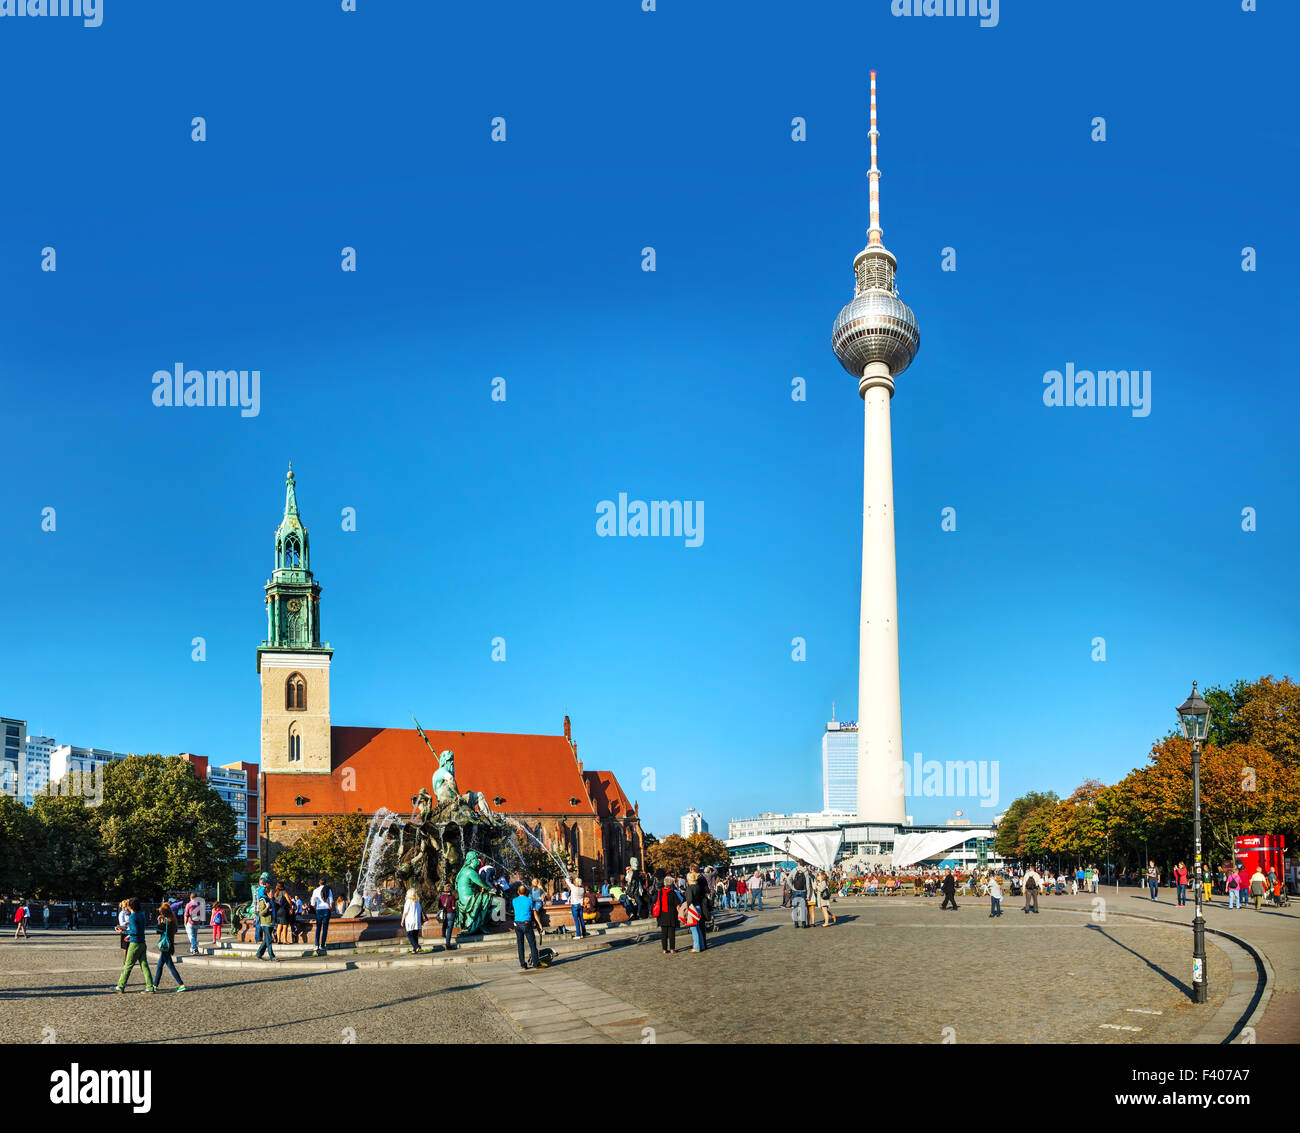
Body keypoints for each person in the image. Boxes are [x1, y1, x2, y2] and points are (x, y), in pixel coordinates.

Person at [114, 898, 155, 993]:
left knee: (128, 966)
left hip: (135, 943)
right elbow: (139, 929)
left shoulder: (133, 916)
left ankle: (120, 986)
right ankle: (150, 986)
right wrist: (129, 935)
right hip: (142, 942)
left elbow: (134, 931)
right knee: (144, 966)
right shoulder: (141, 914)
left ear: (130, 906)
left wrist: (124, 931)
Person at [153, 903, 187, 992]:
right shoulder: (173, 920)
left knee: (170, 966)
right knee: (159, 966)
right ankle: (155, 985)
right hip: (170, 945)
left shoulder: (166, 922)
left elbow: (157, 931)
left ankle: (181, 984)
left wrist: (160, 921)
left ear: (163, 913)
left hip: (165, 947)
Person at [510, 883, 541, 970]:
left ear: (518, 892)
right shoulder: (529, 900)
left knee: (520, 944)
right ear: (527, 892)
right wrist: (540, 924)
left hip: (517, 924)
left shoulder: (514, 900)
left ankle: (523, 965)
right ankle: (536, 963)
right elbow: (534, 913)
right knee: (532, 944)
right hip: (526, 923)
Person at [653, 879, 680, 954]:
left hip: (662, 915)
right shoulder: (672, 893)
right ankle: (672, 949)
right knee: (671, 933)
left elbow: (655, 902)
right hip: (671, 915)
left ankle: (664, 949)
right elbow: (677, 905)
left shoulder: (659, 892)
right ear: (671, 884)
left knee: (663, 933)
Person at [685, 870, 709, 952]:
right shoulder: (697, 886)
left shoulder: (690, 888)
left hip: (693, 907)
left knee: (694, 928)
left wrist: (687, 907)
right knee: (698, 928)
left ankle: (696, 947)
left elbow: (689, 900)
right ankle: (701, 945)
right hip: (698, 907)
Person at [255, 880, 277, 961]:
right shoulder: (263, 900)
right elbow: (261, 913)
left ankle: (259, 954)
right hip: (266, 923)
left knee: (266, 940)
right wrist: (267, 908)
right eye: (271, 892)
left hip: (271, 922)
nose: (273, 893)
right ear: (267, 893)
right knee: (269, 939)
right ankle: (272, 956)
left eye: (273, 892)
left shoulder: (272, 900)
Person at [310, 877, 333, 955]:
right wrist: (330, 908)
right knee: (325, 928)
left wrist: (316, 908)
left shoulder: (315, 890)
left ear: (319, 883)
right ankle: (322, 945)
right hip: (326, 909)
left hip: (319, 910)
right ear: (325, 883)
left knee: (318, 927)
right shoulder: (328, 889)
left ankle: (316, 944)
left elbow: (312, 902)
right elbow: (331, 901)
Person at [402, 888, 424, 953]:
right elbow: (420, 910)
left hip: (410, 921)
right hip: (417, 920)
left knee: (409, 935)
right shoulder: (417, 902)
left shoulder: (408, 901)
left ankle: (416, 946)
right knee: (415, 935)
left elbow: (405, 912)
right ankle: (415, 950)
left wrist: (402, 920)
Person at [437, 881, 457, 951]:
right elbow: (453, 907)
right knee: (449, 930)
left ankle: (443, 933)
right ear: (450, 889)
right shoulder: (452, 897)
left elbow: (439, 906)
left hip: (444, 914)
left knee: (445, 923)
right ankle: (448, 944)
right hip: (451, 913)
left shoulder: (441, 897)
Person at [788, 864, 809, 928]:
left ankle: (796, 923)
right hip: (803, 891)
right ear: (803, 864)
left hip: (795, 891)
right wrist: (808, 894)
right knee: (803, 908)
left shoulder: (794, 870)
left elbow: (788, 879)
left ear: (798, 863)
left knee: (795, 908)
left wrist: (792, 887)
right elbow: (807, 883)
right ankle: (803, 924)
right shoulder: (805, 871)